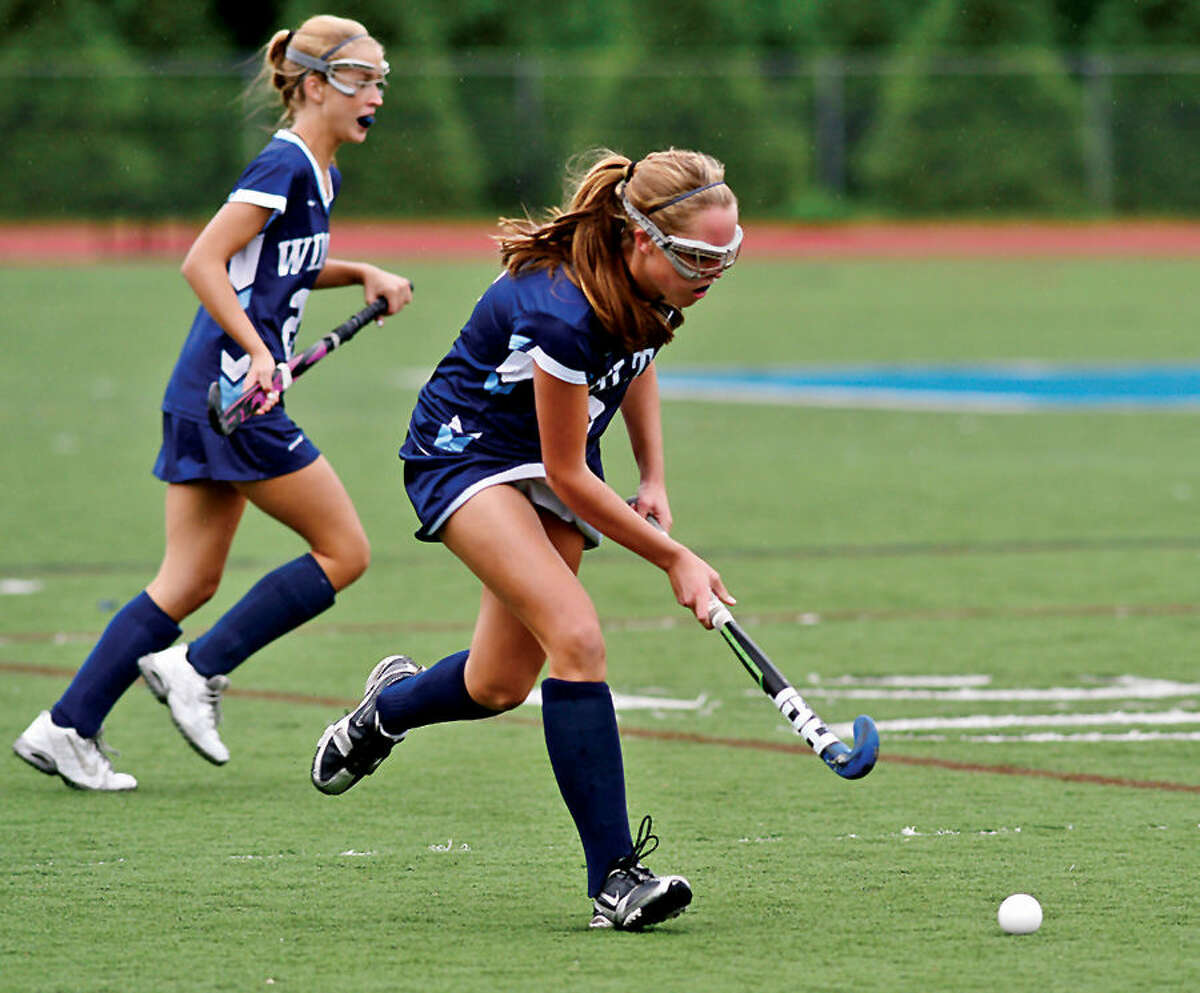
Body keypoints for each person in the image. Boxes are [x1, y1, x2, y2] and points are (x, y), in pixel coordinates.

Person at [310, 148, 742, 930]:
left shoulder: (650, 282)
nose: (713, 272)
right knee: (578, 635)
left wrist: (653, 476)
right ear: (642, 240)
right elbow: (571, 476)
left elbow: (639, 356)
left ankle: (385, 711)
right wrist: (676, 559)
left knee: (498, 684)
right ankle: (615, 878)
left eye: (728, 253)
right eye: (700, 257)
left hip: (549, 455)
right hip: (468, 453)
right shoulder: (561, 308)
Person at [13, 15, 412, 792]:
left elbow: (279, 268)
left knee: (188, 579)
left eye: (380, 80)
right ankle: (197, 666)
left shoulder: (321, 173)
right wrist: (260, 350)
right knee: (346, 551)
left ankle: (65, 727)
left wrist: (357, 269)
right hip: (237, 396)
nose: (376, 95)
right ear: (315, 84)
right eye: (362, 79)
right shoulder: (286, 161)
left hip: (207, 391)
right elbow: (204, 259)